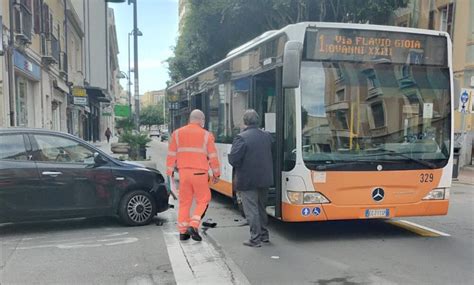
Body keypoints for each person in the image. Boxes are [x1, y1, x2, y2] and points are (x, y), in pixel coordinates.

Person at [166, 109, 221, 242]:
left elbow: (171, 155)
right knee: (203, 199)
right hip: (200, 173)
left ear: (190, 119)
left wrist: (170, 174)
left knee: (184, 202)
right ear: (201, 120)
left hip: (184, 173)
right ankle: (193, 225)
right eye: (203, 120)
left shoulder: (177, 134)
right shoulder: (207, 135)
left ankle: (183, 232)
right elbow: (213, 157)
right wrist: (216, 174)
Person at [228, 109, 273, 247]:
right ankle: (264, 235)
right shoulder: (267, 136)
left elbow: (234, 159)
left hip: (248, 179)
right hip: (264, 178)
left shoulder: (241, 137)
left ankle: (255, 239)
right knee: (261, 207)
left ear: (245, 121)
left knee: (251, 209)